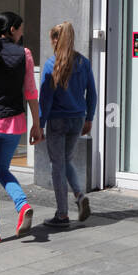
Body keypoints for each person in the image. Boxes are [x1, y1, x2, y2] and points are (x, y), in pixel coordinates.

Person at [0, 11, 41, 242]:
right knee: (2, 170)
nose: (23, 31)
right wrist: (36, 123)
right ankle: (22, 204)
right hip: (14, 123)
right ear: (13, 29)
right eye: (22, 27)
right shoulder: (24, 54)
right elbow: (31, 92)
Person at [38, 22, 96, 228]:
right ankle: (79, 196)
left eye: (52, 38)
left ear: (56, 39)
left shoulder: (51, 64)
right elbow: (92, 93)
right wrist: (89, 117)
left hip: (57, 120)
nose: (52, 43)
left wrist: (40, 124)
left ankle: (62, 215)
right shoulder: (84, 62)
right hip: (78, 118)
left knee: (57, 165)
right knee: (67, 160)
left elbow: (45, 99)